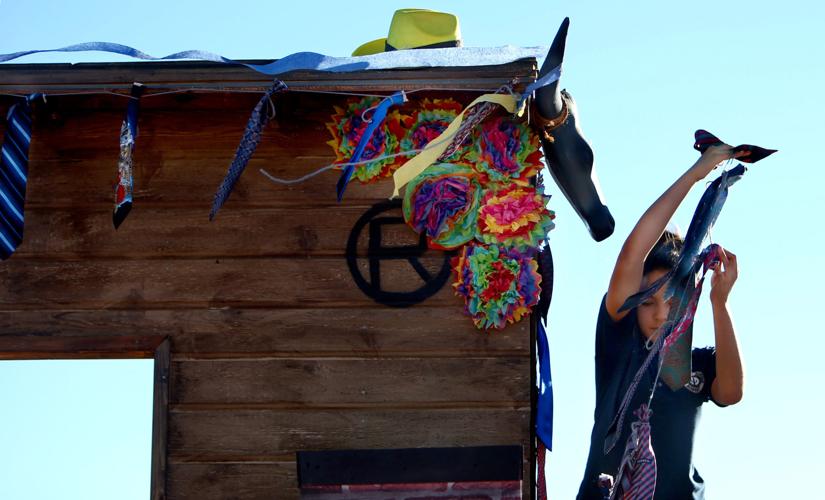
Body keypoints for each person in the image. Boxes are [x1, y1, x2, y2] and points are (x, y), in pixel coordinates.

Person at [576, 144, 747, 499]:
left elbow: (731, 393)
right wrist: (696, 174)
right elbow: (632, 253)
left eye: (672, 301)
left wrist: (719, 302)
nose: (660, 313)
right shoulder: (618, 349)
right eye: (648, 301)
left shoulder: (693, 365)